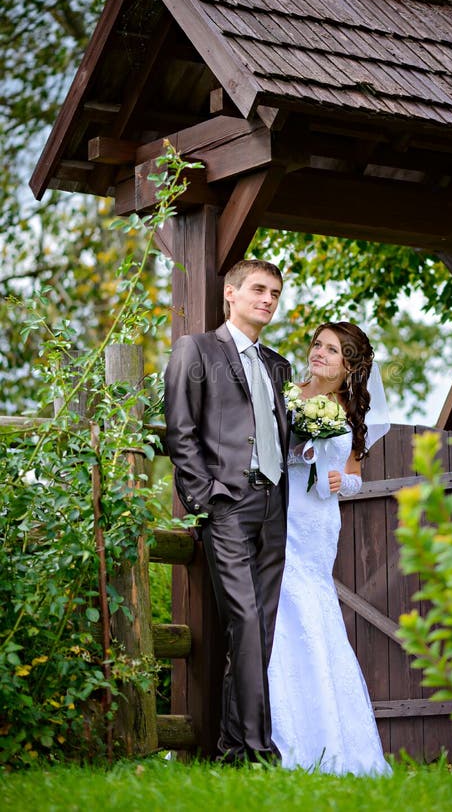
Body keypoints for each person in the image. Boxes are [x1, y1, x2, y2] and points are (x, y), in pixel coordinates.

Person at [164, 259, 291, 765]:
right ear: (231, 295)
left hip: (274, 507)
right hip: (228, 506)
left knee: (260, 630)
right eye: (258, 289)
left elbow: (280, 433)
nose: (268, 299)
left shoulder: (277, 365)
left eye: (275, 293)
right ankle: (260, 750)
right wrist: (209, 498)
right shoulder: (196, 350)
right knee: (243, 617)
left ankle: (233, 747)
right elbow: (181, 431)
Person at [268, 321, 392, 776]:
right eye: (317, 345)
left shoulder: (352, 411)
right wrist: (299, 453)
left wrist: (345, 482)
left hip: (317, 521)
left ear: (349, 365)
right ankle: (280, 730)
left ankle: (326, 735)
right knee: (276, 611)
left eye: (333, 350)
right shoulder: (285, 395)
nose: (320, 353)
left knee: (308, 606)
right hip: (278, 512)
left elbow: (354, 475)